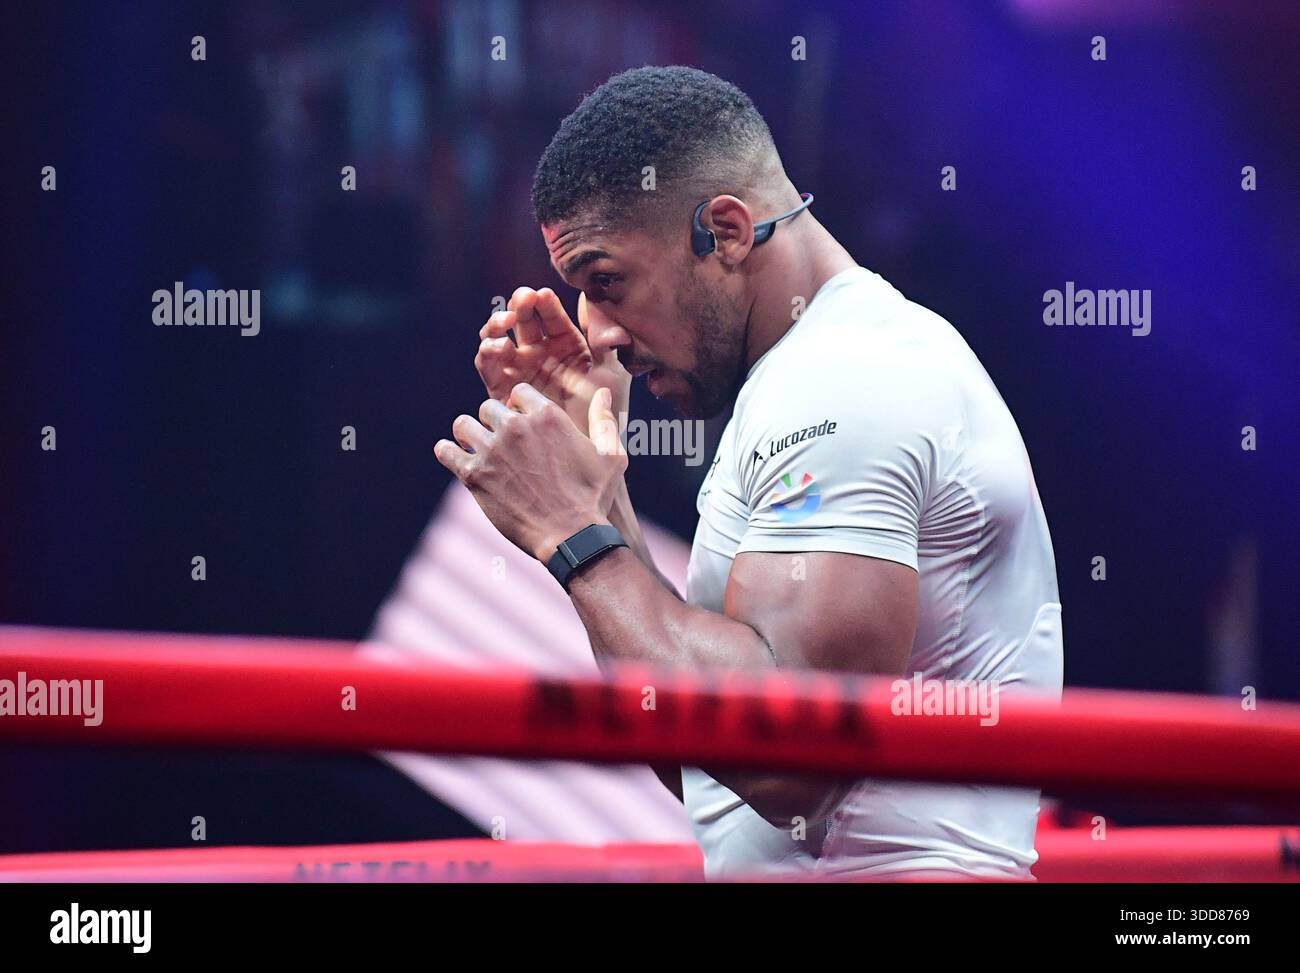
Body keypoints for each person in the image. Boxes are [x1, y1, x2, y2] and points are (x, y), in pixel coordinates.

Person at [434, 65, 1063, 879]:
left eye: (607, 282)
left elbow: (788, 766)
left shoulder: (848, 380)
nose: (600, 334)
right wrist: (600, 493)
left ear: (726, 232)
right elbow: (709, 766)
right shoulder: (805, 377)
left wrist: (572, 532)